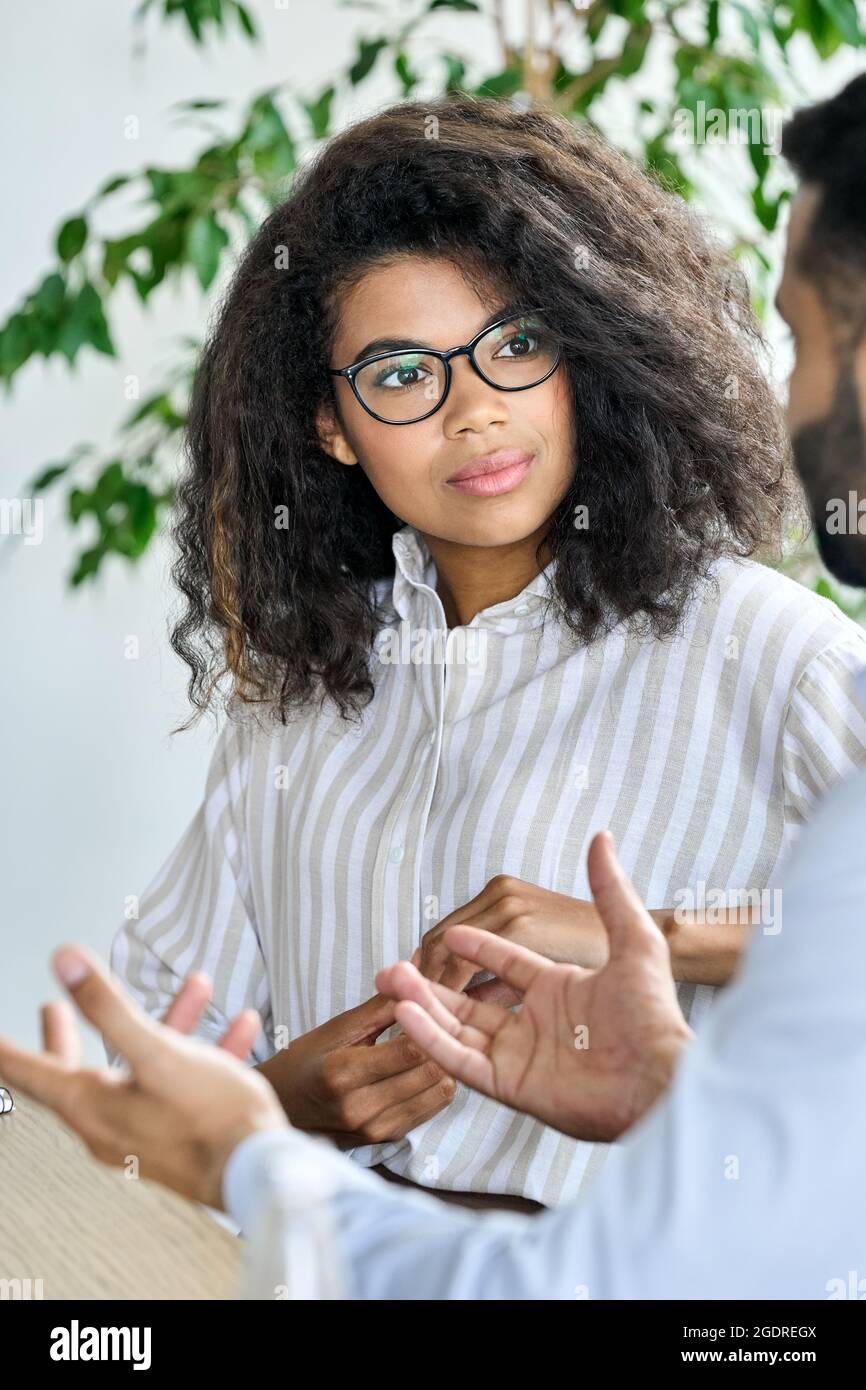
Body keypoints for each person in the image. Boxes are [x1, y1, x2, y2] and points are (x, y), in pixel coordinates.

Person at [1, 75, 865, 1298]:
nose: (472, 413)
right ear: (331, 427)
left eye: (515, 346)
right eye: (403, 374)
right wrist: (279, 1101)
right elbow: (164, 1041)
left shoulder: (768, 650)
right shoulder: (298, 697)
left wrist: (659, 938)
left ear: (589, 353)